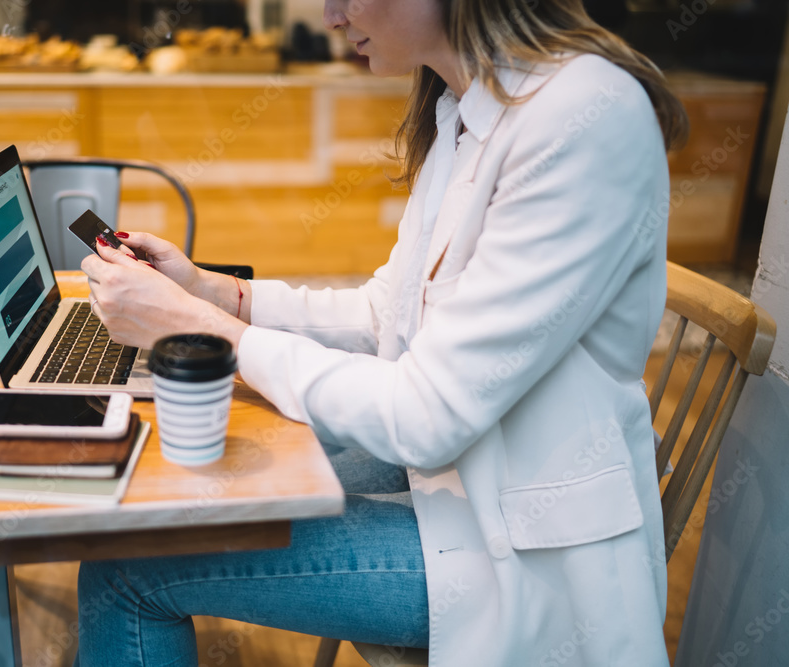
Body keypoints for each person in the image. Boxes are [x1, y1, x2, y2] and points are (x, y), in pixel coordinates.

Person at [75, 0, 688, 664]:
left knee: (130, 564)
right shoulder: (463, 111)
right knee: (171, 490)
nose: (331, 14)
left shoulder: (582, 118)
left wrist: (200, 326)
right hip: (455, 478)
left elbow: (427, 414)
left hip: (517, 556)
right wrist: (222, 294)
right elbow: (384, 315)